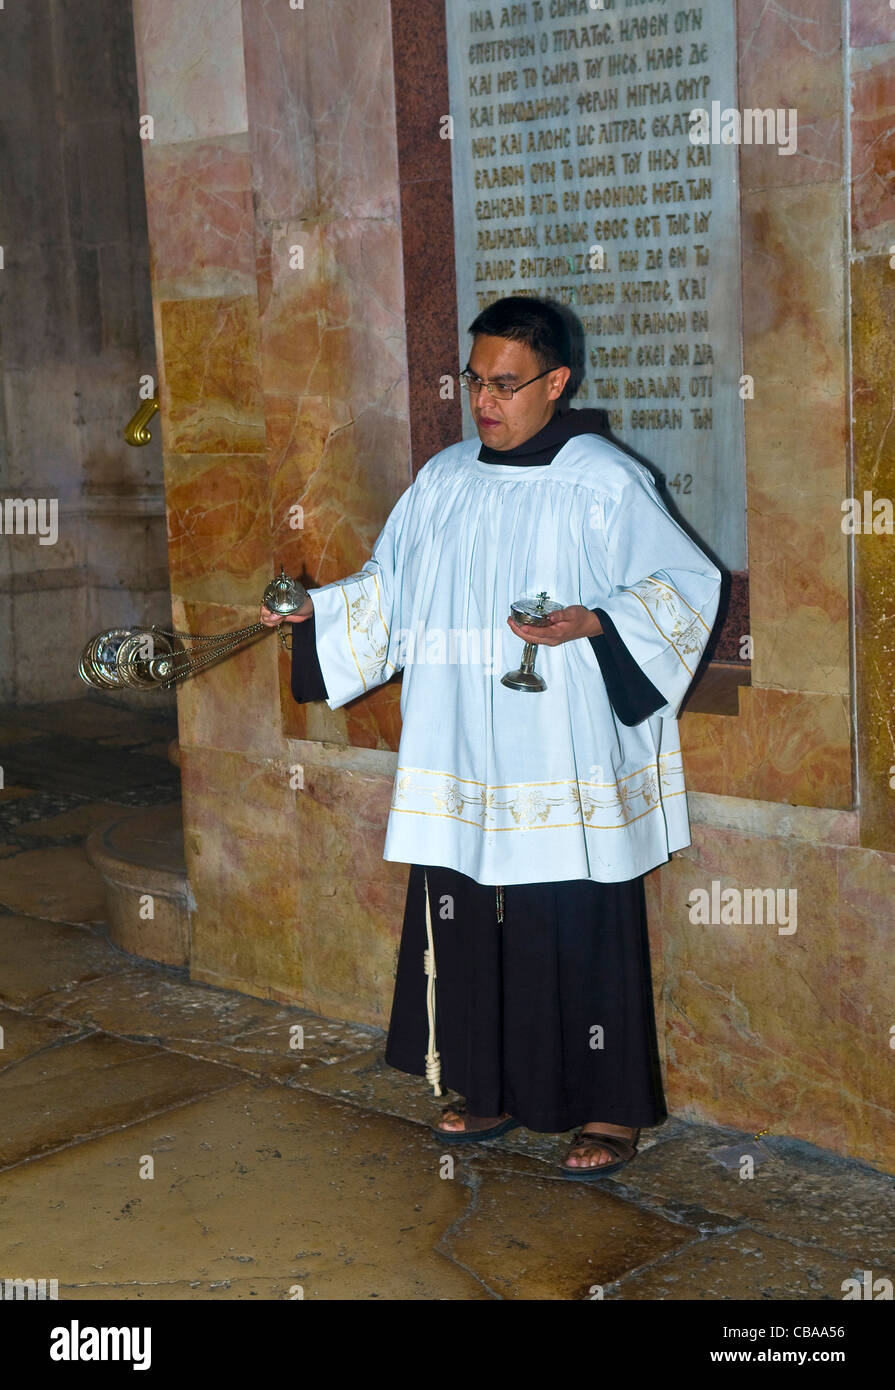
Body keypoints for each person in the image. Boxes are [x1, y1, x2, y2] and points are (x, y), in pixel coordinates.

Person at [261, 296, 721, 1178]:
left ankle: (609, 1111)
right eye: (475, 381)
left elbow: (684, 582)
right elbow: (387, 588)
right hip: (464, 738)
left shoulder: (602, 480)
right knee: (465, 906)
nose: (484, 401)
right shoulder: (443, 480)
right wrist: (317, 614)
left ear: (557, 383)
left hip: (563, 741)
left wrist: (598, 620)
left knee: (573, 910)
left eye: (505, 385)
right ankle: (487, 1083)